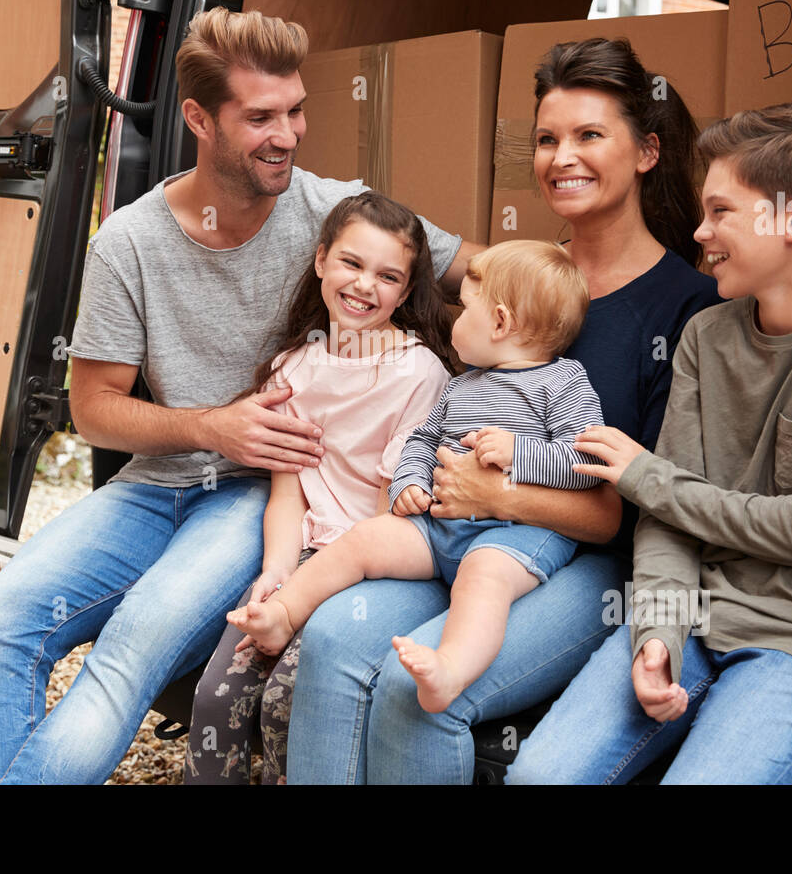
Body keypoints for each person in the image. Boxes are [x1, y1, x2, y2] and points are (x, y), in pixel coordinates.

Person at [0, 7, 478, 784]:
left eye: (296, 111)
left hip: (261, 495)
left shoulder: (334, 212)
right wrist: (212, 426)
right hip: (157, 483)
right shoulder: (128, 243)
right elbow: (95, 408)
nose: (289, 135)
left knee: (134, 644)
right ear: (199, 118)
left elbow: (486, 273)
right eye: (261, 117)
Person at [286, 37, 723, 784]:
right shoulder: (514, 274)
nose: (562, 157)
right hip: (457, 531)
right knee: (329, 640)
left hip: (590, 566)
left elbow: (630, 513)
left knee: (413, 694)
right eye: (548, 139)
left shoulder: (685, 308)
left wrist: (499, 493)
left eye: (590, 136)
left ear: (647, 151)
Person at [507, 102, 792, 784]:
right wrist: (659, 634)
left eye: (721, 211)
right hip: (693, 617)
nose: (701, 231)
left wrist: (647, 476)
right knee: (539, 775)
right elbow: (667, 526)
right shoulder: (706, 334)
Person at [230, 240, 613, 715]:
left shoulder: (564, 383)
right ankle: (283, 614)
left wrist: (522, 454)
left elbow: (587, 469)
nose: (454, 318)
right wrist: (410, 482)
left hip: (512, 539)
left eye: (465, 308)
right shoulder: (461, 384)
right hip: (439, 529)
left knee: (483, 580)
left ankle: (451, 669)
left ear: (499, 322)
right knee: (367, 537)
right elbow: (422, 440)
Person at [185, 191, 456, 784]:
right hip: (307, 553)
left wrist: (307, 591)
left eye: (388, 276)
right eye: (351, 264)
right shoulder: (293, 369)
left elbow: (391, 521)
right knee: (215, 696)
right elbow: (289, 494)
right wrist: (275, 573)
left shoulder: (418, 374)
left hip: (369, 569)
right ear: (320, 261)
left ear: (405, 294)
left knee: (287, 701)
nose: (364, 285)